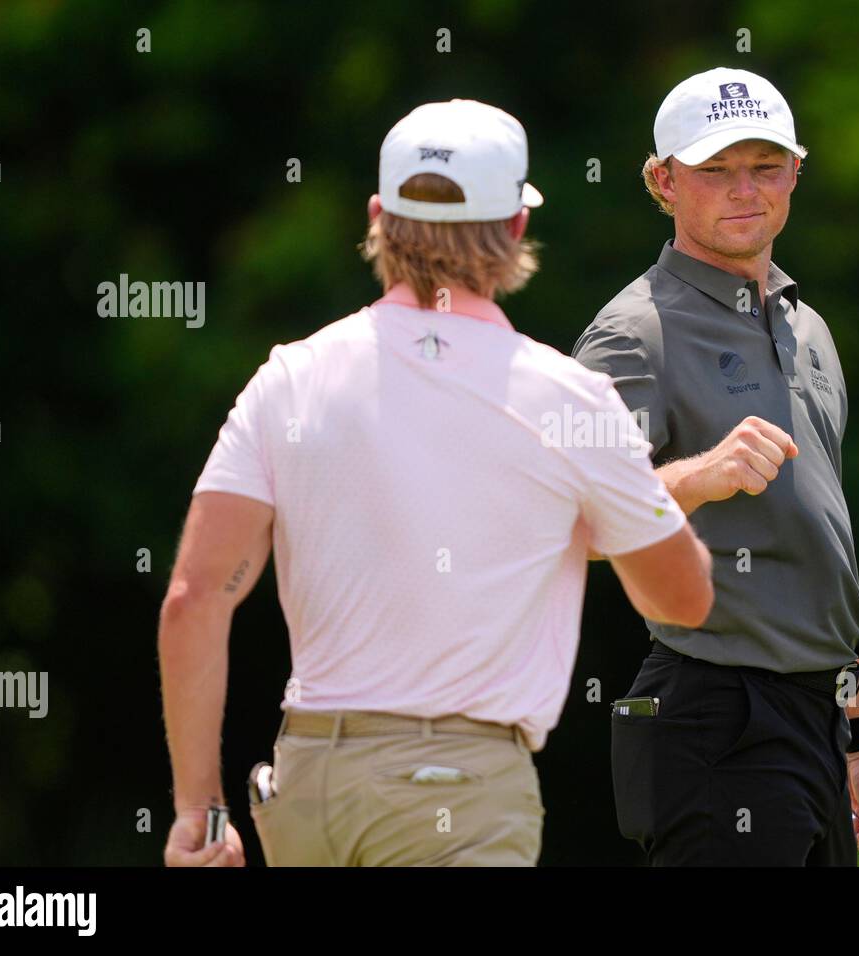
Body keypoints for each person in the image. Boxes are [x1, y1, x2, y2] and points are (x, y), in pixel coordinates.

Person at [158, 98, 713, 867]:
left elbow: (194, 598)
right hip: (458, 791)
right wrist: (661, 495)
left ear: (379, 217)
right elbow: (681, 598)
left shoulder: (291, 375)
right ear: (516, 228)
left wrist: (200, 812)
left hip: (307, 787)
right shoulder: (567, 397)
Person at [572, 68, 859, 866]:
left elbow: (824, 549)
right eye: (715, 169)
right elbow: (571, 524)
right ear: (663, 180)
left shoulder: (809, 328)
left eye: (764, 165)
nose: (744, 190)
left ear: (797, 170)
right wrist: (702, 474)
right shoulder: (633, 334)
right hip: (716, 711)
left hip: (819, 717)